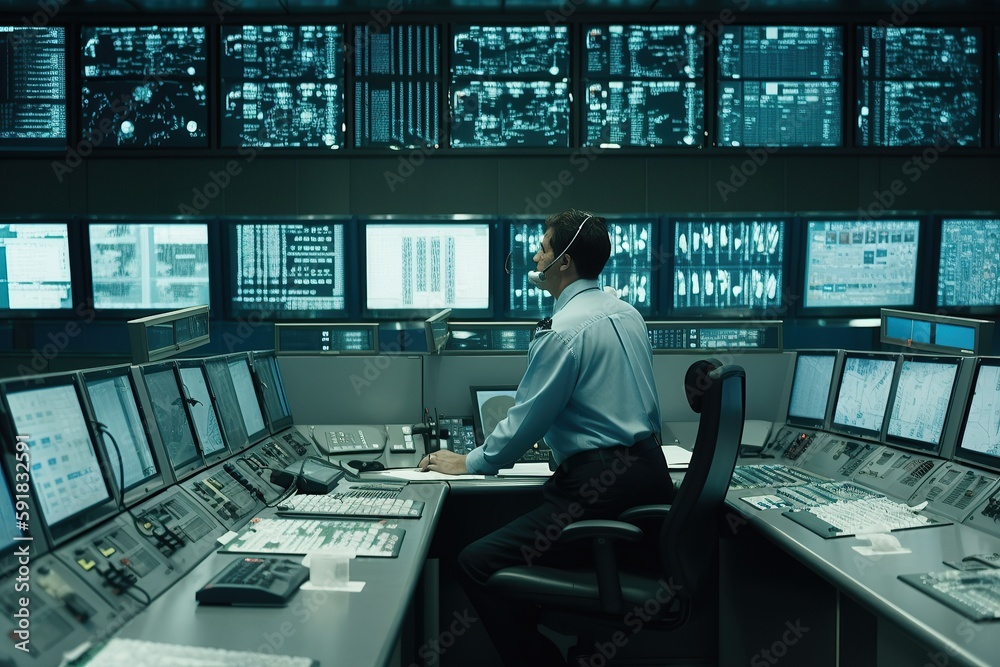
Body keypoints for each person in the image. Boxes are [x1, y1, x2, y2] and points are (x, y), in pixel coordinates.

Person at [418, 209, 672, 666]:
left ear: (565, 262)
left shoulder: (563, 331)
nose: (535, 255)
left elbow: (528, 417)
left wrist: (471, 462)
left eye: (543, 247)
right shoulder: (629, 314)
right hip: (649, 476)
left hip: (598, 489)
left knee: (474, 562)